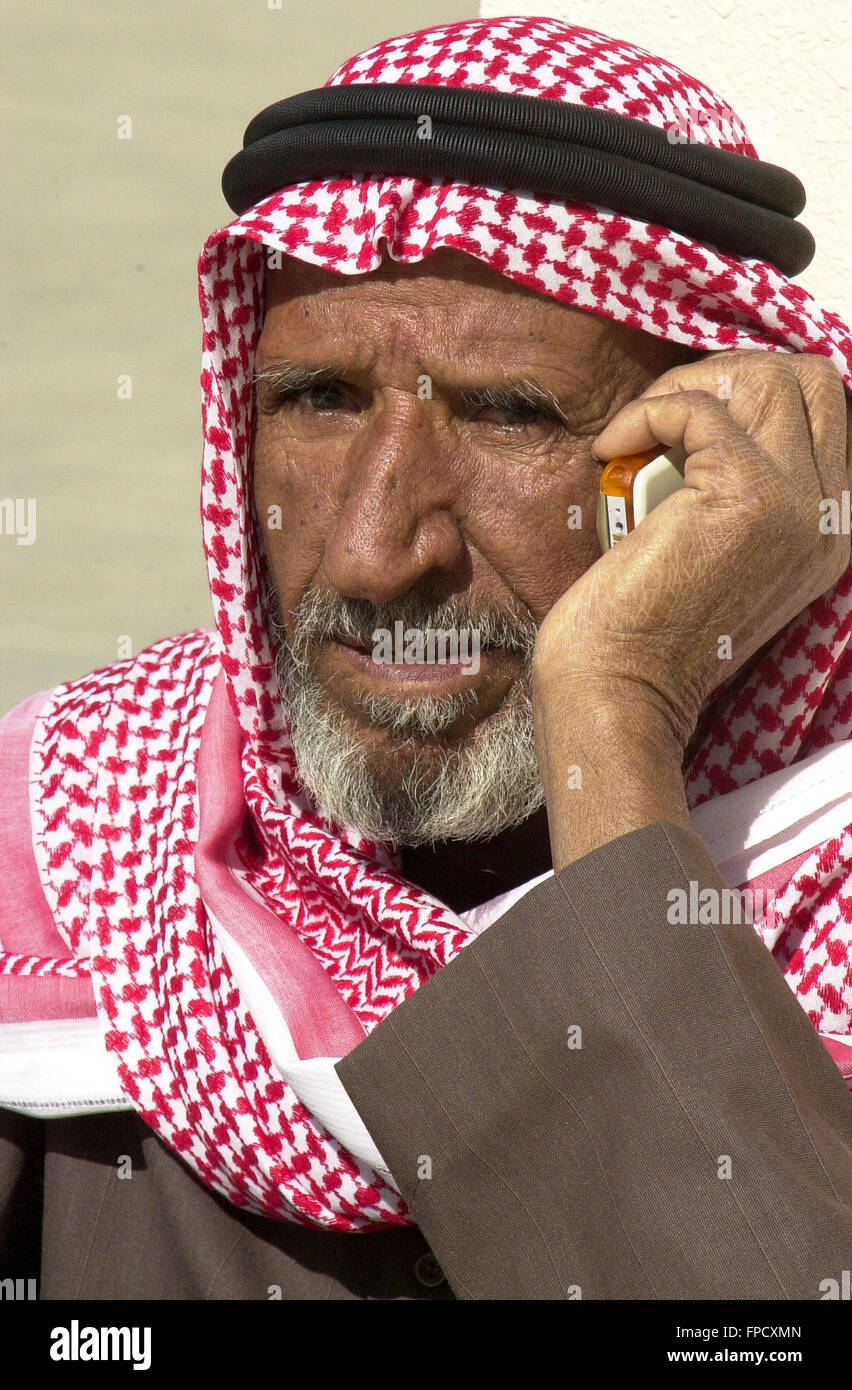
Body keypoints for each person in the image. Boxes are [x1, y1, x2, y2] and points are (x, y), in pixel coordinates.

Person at [1, 15, 850, 1301]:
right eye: (318, 401)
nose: (370, 553)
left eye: (509, 414)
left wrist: (616, 718)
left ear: (696, 480)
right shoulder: (63, 856)